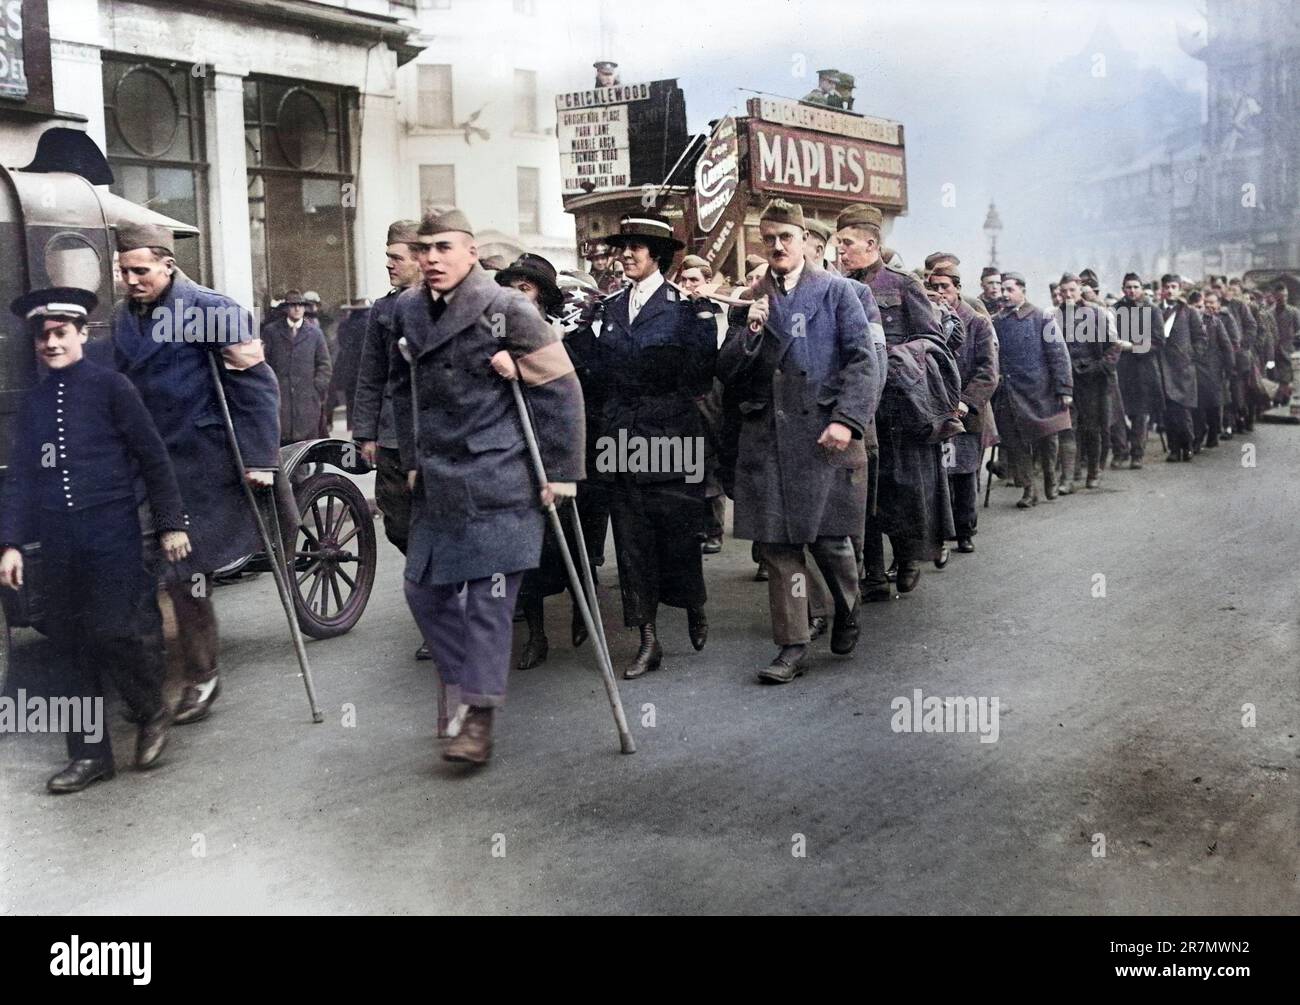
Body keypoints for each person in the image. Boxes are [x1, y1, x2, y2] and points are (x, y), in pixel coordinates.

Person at [390, 209, 585, 765]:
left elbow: (562, 388)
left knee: (487, 601)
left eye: (444, 248)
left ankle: (478, 715)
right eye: (424, 249)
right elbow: (402, 390)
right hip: (439, 478)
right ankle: (463, 689)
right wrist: (410, 456)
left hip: (500, 474)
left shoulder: (507, 309)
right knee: (422, 591)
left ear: (471, 252)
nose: (431, 259)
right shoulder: (407, 309)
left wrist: (562, 472)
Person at [1, 288, 191, 793]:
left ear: (83, 333)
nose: (51, 344)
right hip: (59, 542)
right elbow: (20, 477)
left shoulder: (113, 389)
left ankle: (151, 709)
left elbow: (153, 458)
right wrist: (11, 543)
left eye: (61, 334)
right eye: (43, 337)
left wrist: (172, 522)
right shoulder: (36, 404)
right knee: (67, 643)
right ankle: (89, 756)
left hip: (112, 535)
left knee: (114, 630)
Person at [110, 222, 282, 725]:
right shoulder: (123, 317)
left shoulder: (210, 310)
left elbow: (255, 386)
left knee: (187, 574)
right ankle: (158, 671)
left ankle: (202, 676)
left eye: (140, 270)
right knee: (143, 567)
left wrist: (260, 459)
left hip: (199, 460)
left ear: (168, 263)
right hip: (146, 462)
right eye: (123, 271)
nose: (129, 280)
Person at [717, 199, 880, 683]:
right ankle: (792, 644)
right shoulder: (750, 296)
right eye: (768, 238)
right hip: (767, 439)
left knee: (829, 542)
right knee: (777, 546)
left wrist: (847, 419)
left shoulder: (838, 293)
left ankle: (846, 609)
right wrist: (749, 329)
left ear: (806, 240)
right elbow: (727, 371)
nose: (777, 246)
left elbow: (863, 361)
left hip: (821, 438)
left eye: (786, 236)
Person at [583, 213, 717, 679]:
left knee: (678, 534)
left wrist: (705, 320)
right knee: (631, 540)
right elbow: (595, 374)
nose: (625, 254)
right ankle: (648, 638)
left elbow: (701, 374)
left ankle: (693, 604)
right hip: (620, 438)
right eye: (623, 247)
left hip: (672, 436)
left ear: (657, 255)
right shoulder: (607, 309)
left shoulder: (685, 308)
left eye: (636, 247)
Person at [835, 203, 954, 598]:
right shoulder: (838, 288)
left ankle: (905, 559)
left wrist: (895, 356)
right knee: (864, 491)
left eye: (848, 243)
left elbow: (933, 341)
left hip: (900, 407)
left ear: (871, 243)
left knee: (902, 489)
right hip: (859, 406)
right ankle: (871, 575)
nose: (841, 251)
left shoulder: (903, 285)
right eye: (838, 244)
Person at [494, 252, 598, 670]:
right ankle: (536, 634)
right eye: (512, 287)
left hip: (566, 450)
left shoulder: (566, 334)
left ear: (542, 295)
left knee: (576, 539)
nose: (518, 295)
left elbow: (577, 389)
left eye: (527, 287)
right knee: (528, 549)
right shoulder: (498, 337)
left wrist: (525, 369)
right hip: (519, 449)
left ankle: (583, 610)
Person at [927, 266, 999, 552]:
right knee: (938, 473)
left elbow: (988, 371)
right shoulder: (926, 319)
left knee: (966, 472)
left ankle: (965, 529)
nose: (940, 293)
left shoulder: (977, 323)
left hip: (966, 410)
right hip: (934, 409)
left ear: (957, 288)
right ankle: (941, 531)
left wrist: (966, 401)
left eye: (944, 286)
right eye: (933, 287)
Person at [991, 272, 1072, 508]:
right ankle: (1029, 489)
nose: (1004, 294)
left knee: (1047, 436)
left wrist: (1064, 388)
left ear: (1022, 291)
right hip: (1009, 391)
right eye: (1002, 290)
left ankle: (1051, 477)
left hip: (1040, 390)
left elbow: (1058, 355)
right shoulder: (996, 321)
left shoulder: (1041, 317)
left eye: (1009, 290)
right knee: (1015, 442)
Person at [1057, 273, 1119, 489]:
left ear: (1080, 289)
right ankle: (1068, 478)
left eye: (1071, 290)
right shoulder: (1055, 317)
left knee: (1092, 428)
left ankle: (1093, 472)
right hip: (1066, 381)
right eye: (1063, 291)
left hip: (1092, 381)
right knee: (1068, 427)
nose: (1067, 295)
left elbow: (1113, 347)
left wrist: (1100, 366)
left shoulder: (1095, 314)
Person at [264, 289, 333, 445]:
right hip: (281, 398)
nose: (297, 309)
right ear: (286, 308)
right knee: (283, 444)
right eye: (293, 305)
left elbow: (324, 364)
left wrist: (317, 387)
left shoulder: (315, 333)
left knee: (307, 444)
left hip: (307, 399)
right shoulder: (272, 332)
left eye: (300, 306)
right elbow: (265, 363)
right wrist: (271, 387)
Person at [1114, 273, 1163, 468]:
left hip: (1143, 368)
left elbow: (1159, 342)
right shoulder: (1116, 309)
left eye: (1135, 287)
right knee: (1119, 413)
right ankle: (1120, 451)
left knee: (1140, 414)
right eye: (1128, 287)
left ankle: (1137, 454)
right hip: (1120, 369)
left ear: (1141, 288)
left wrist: (1133, 347)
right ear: (1123, 289)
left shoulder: (1152, 310)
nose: (1132, 291)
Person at [1155, 274, 1204, 463]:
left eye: (1173, 287)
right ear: (1162, 289)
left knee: (1183, 412)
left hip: (1183, 369)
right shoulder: (1156, 311)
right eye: (1166, 287)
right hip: (1162, 368)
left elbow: (1200, 338)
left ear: (1180, 288)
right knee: (1168, 413)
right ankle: (1174, 449)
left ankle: (1188, 445)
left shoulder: (1189, 312)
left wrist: (1191, 355)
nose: (1170, 290)